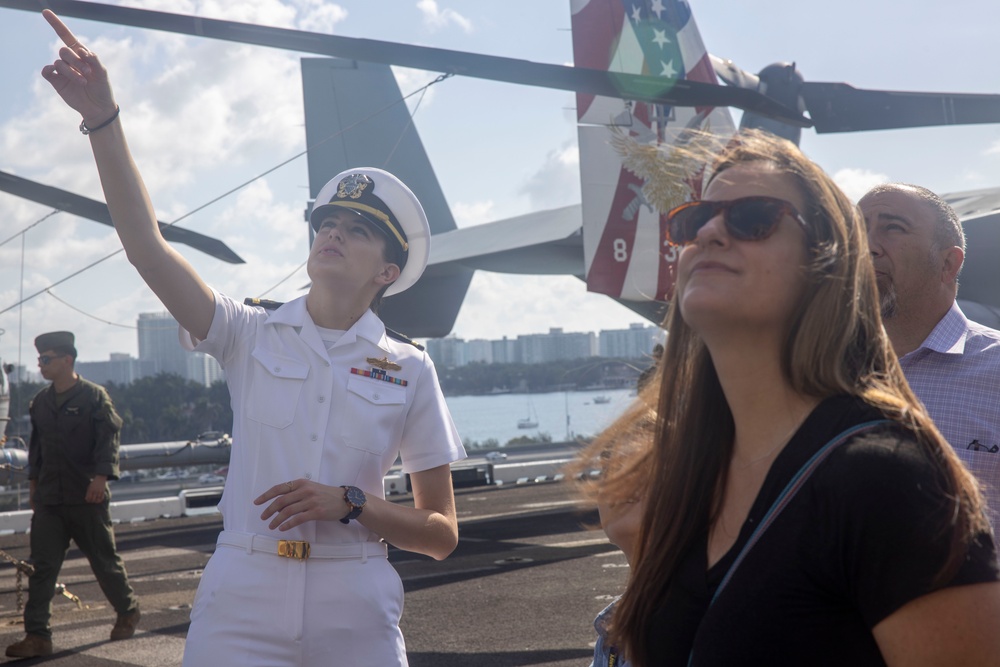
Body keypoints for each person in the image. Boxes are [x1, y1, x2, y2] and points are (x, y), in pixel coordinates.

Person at [37, 10, 465, 667]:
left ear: (386, 271)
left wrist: (353, 503)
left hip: (354, 600)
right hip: (244, 596)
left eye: (358, 227)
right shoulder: (249, 333)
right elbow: (147, 250)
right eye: (328, 219)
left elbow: (440, 534)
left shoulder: (408, 368)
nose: (335, 230)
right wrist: (103, 121)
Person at [576, 129, 1000, 666]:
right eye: (691, 220)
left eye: (753, 218)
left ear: (828, 266)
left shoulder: (887, 476)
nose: (708, 232)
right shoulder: (691, 461)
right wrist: (648, 555)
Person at [859, 183, 1000, 529]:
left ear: (948, 264)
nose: (866, 246)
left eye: (892, 227)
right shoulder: (813, 369)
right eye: (857, 229)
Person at [5, 331, 140, 659]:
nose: (41, 365)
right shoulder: (40, 402)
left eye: (46, 359)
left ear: (68, 360)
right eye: (39, 360)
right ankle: (37, 635)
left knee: (103, 561)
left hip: (87, 496)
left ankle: (128, 610)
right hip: (50, 499)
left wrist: (100, 478)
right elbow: (36, 449)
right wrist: (34, 486)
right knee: (41, 568)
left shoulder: (94, 397)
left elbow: (108, 440)